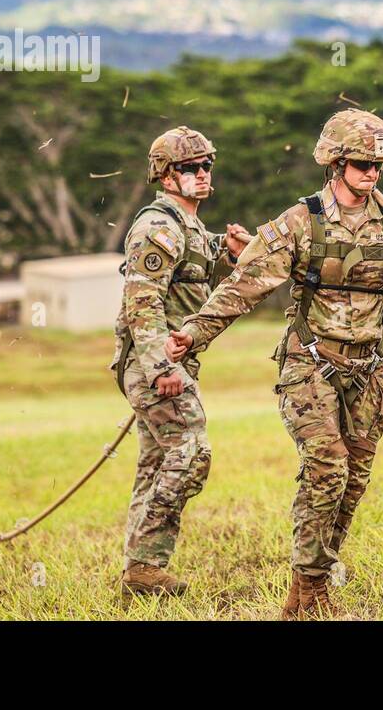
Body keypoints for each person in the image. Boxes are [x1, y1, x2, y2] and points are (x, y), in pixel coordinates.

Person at [165, 110, 383, 618]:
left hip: (369, 370)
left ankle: (317, 578)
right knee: (327, 467)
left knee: (354, 479)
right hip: (309, 365)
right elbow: (242, 289)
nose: (370, 173)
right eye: (359, 163)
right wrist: (192, 334)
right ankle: (307, 592)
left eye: (377, 164)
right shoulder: (298, 222)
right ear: (334, 163)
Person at [112, 126, 247, 596]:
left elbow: (192, 263)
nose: (202, 174)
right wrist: (160, 368)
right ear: (165, 176)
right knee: (191, 454)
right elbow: (142, 303)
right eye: (190, 168)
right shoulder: (158, 226)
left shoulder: (185, 225)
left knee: (155, 466)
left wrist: (224, 250)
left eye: (207, 165)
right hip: (156, 365)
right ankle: (146, 568)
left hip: (170, 363)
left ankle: (138, 572)